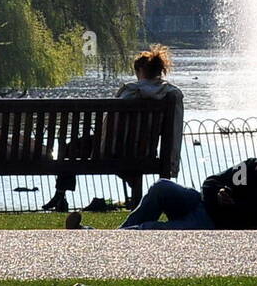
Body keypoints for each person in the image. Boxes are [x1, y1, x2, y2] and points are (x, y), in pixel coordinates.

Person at [65, 132, 257, 230]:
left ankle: (93, 236)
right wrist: (219, 192)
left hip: (214, 222)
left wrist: (234, 207)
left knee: (152, 229)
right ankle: (115, 236)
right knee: (161, 187)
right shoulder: (253, 167)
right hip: (204, 204)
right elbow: (213, 180)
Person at [42, 45, 184, 213]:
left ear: (140, 71)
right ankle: (135, 194)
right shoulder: (169, 95)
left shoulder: (130, 92)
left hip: (113, 149)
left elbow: (109, 125)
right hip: (145, 152)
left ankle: (60, 195)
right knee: (119, 157)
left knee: (70, 148)